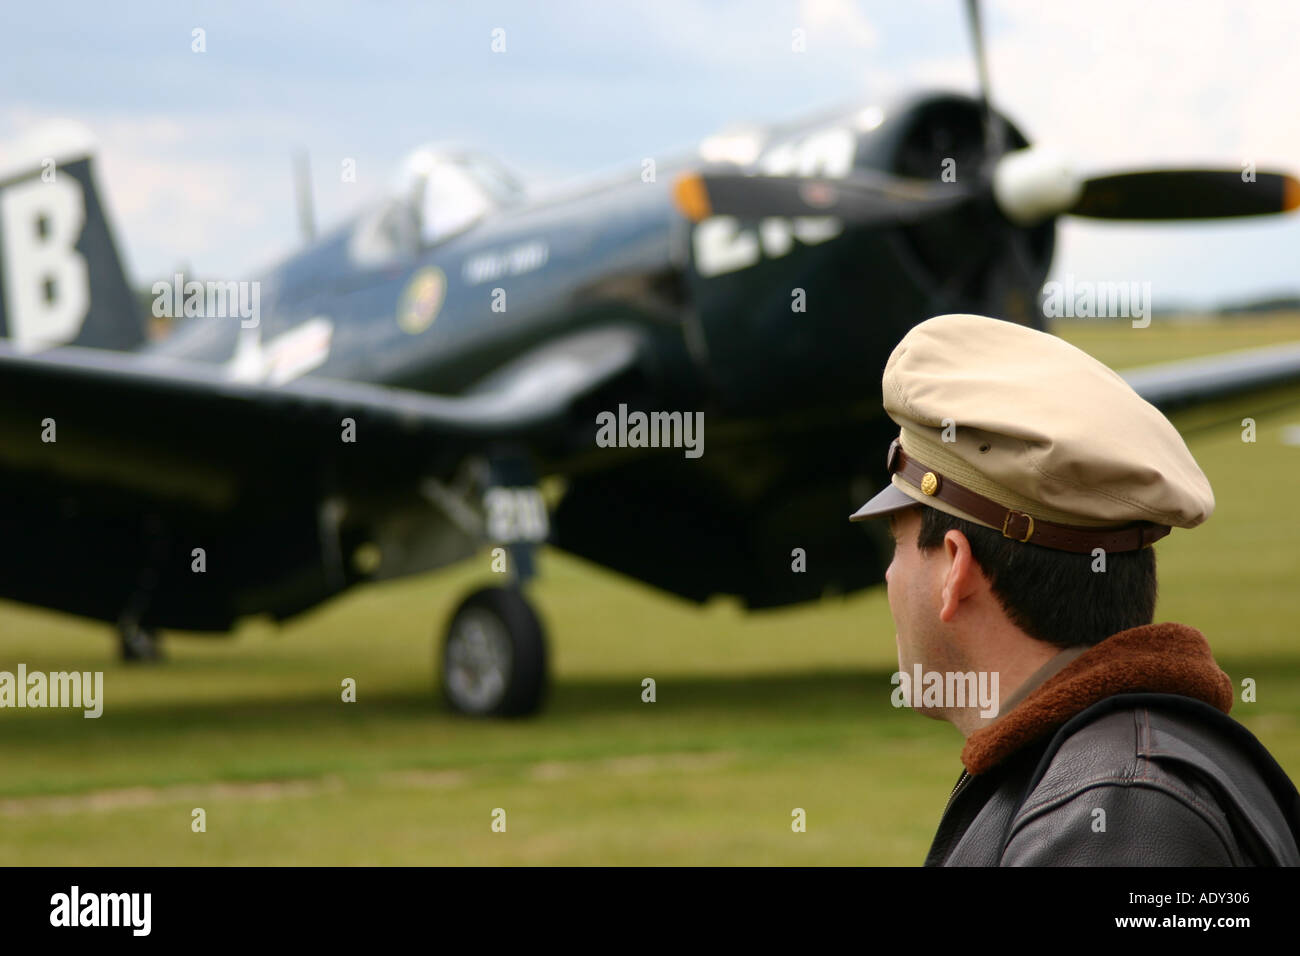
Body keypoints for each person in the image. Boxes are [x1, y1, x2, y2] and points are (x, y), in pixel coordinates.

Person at [850, 313, 1300, 866]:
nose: (890, 576)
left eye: (897, 543)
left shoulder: (1113, 818)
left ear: (954, 567)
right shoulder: (1104, 777)